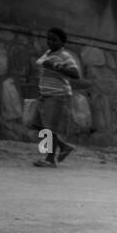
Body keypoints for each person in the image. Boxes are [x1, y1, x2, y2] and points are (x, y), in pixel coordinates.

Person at [32, 27, 79, 168]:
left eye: (54, 40)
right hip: (45, 94)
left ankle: (50, 159)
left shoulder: (65, 56)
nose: (50, 42)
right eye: (49, 39)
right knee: (37, 124)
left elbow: (75, 74)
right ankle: (63, 147)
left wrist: (55, 66)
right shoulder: (47, 53)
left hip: (58, 95)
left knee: (48, 128)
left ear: (62, 42)